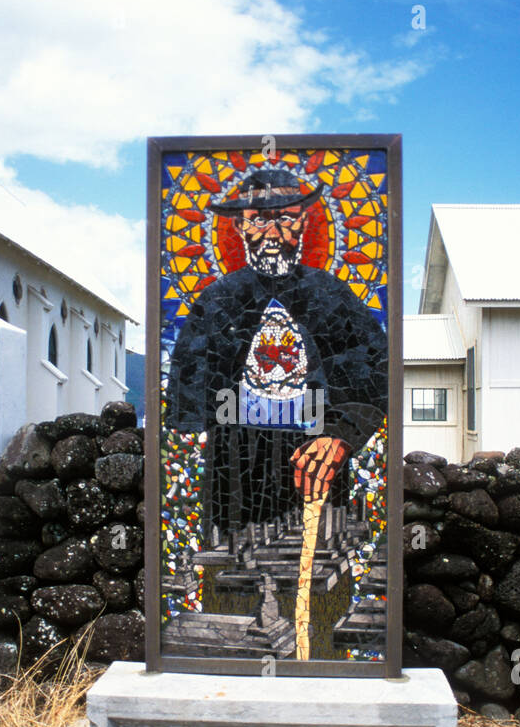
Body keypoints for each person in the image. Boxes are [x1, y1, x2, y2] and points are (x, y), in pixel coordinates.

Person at [164, 168, 388, 541]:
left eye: (285, 218)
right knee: (233, 577)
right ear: (238, 227)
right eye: (258, 220)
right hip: (234, 472)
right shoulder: (216, 301)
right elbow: (186, 409)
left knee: (321, 584)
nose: (272, 233)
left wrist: (341, 434)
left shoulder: (331, 295)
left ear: (303, 223)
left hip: (317, 464)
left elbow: (374, 372)